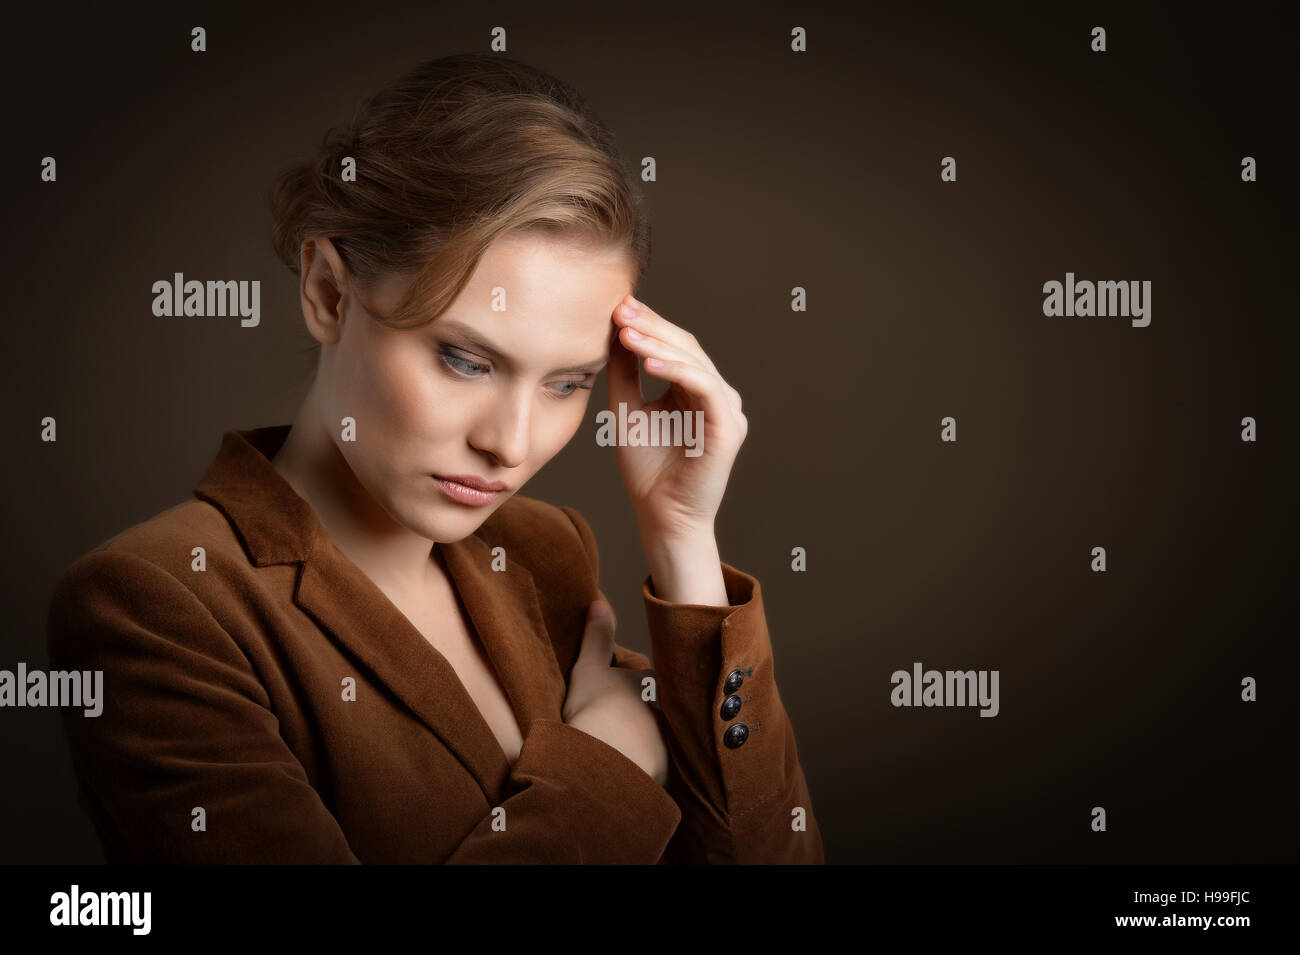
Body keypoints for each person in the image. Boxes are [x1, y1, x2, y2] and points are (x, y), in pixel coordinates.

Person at [46, 53, 824, 864]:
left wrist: (683, 537)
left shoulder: (544, 553)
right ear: (327, 292)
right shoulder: (160, 600)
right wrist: (614, 759)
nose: (511, 443)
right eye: (466, 360)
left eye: (568, 383)